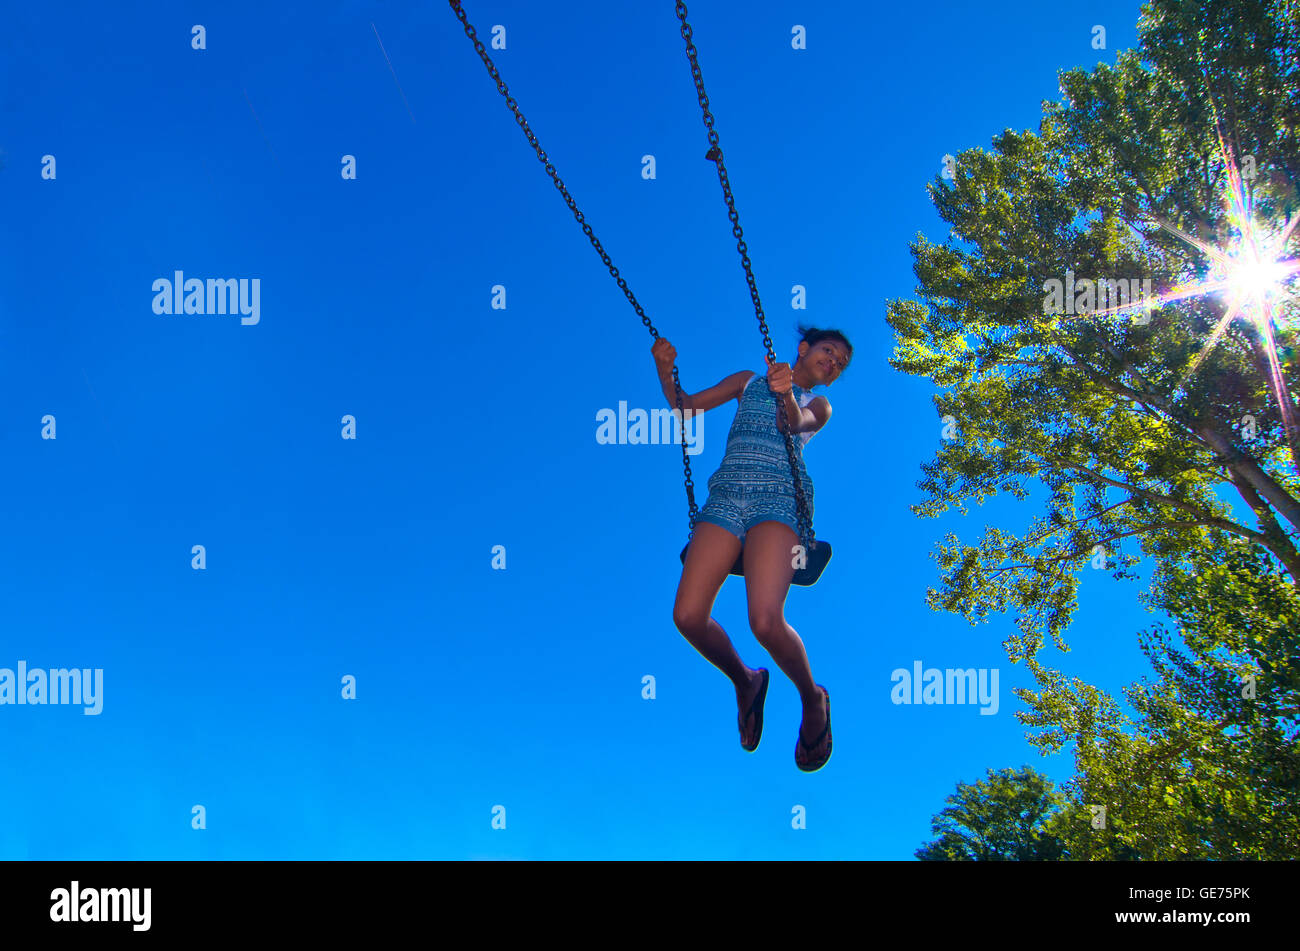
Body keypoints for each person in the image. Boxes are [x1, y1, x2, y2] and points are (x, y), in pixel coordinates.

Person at [652, 324, 852, 772]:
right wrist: (665, 372)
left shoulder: (819, 404)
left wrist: (786, 394)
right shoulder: (747, 381)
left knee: (764, 620)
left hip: (779, 498)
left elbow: (796, 423)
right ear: (804, 348)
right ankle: (746, 681)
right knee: (687, 616)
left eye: (840, 363)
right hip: (726, 496)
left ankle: (812, 699)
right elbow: (685, 407)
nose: (833, 361)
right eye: (828, 351)